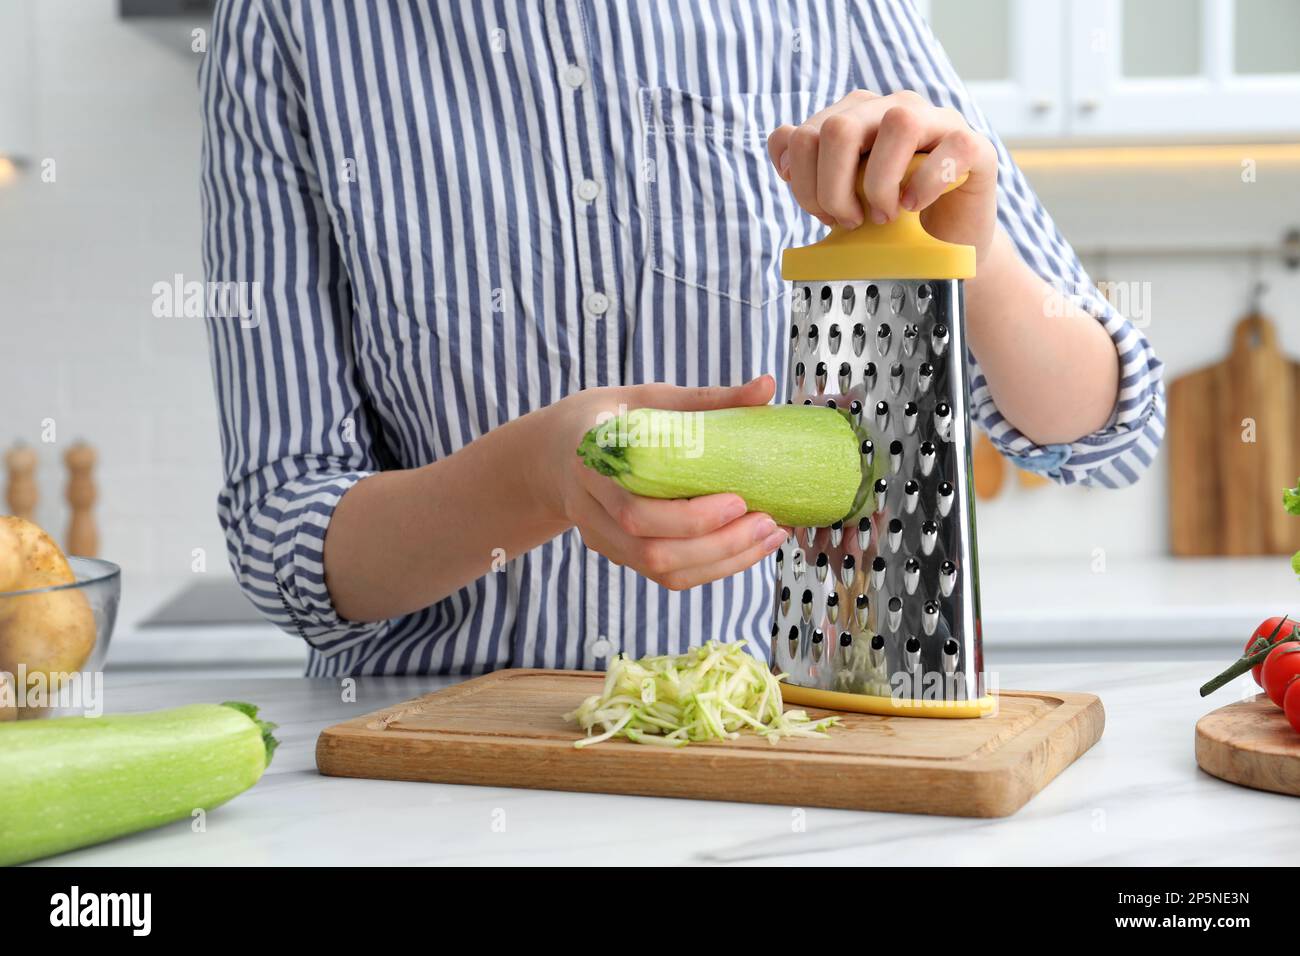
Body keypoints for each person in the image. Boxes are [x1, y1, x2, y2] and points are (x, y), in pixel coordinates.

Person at [199, 0, 1163, 676]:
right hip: (432, 768)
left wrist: (972, 256)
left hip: (767, 758)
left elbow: (1107, 430)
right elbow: (285, 533)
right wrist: (537, 476)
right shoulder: (287, 21)